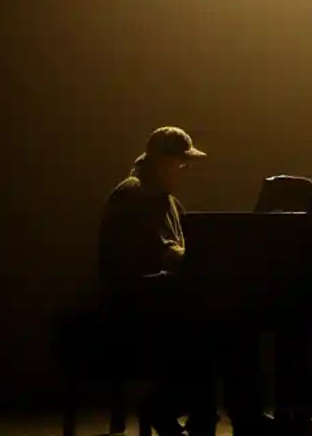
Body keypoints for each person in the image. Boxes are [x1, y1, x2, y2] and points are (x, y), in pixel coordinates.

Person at [97, 126, 270, 436]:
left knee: (226, 319)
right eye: (181, 163)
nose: (185, 170)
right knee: (221, 324)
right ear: (163, 163)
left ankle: (217, 414)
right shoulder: (136, 195)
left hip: (158, 297)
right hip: (134, 302)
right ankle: (198, 410)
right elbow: (163, 255)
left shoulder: (167, 201)